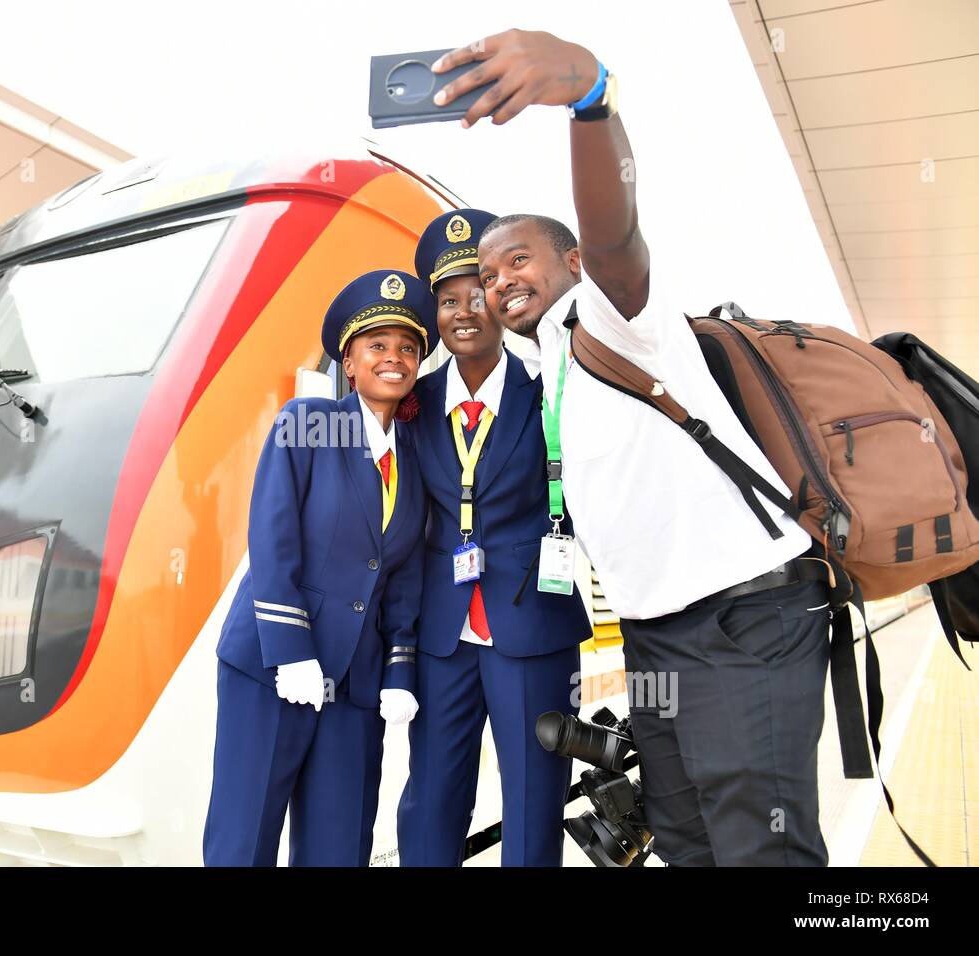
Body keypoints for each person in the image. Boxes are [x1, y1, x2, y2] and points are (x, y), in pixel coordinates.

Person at [438, 28, 830, 866]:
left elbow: (616, 235)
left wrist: (590, 99)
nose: (501, 280)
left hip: (741, 615)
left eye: (519, 260)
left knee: (760, 844)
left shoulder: (616, 317)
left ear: (571, 262)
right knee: (684, 840)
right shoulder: (548, 370)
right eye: (488, 273)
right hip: (658, 638)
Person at [203, 270, 434, 866]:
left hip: (356, 683)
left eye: (408, 347)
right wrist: (290, 650)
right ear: (348, 363)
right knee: (245, 836)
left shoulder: (413, 455)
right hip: (273, 667)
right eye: (376, 345)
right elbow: (272, 541)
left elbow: (402, 577)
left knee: (339, 845)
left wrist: (399, 672)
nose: (394, 358)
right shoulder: (309, 422)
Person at [397, 209, 591, 867]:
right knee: (431, 796)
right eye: (446, 300)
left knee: (535, 799)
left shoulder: (553, 392)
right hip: (442, 636)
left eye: (476, 293)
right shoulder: (413, 409)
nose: (464, 311)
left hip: (533, 624)